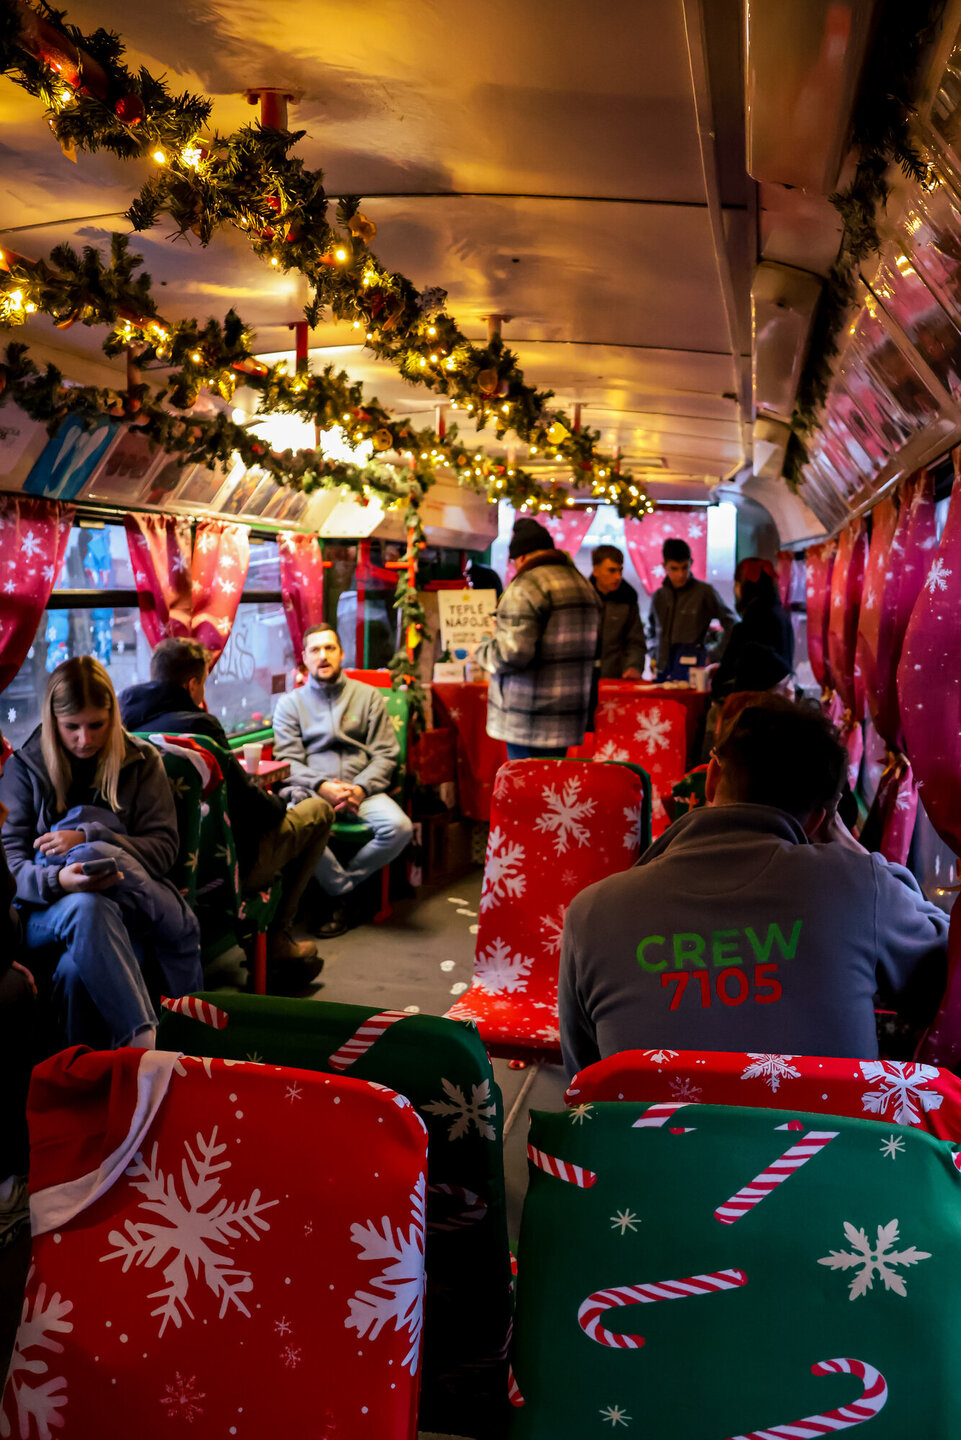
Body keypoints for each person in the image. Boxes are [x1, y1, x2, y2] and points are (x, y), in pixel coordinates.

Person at [559, 694, 948, 1076]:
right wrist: (858, 857)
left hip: (645, 1122)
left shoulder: (592, 912)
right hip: (827, 1122)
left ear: (712, 777)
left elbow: (586, 1080)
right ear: (819, 821)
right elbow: (947, 981)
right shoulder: (859, 886)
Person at [0, 657, 203, 1051]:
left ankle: (90, 1075)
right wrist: (59, 880)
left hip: (126, 901)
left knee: (77, 968)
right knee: (86, 907)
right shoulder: (24, 769)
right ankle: (146, 1045)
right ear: (53, 722)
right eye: (71, 727)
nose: (84, 739)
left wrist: (91, 836)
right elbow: (10, 868)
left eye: (96, 725)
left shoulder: (141, 761)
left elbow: (164, 851)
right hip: (45, 911)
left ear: (113, 716)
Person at [120, 638, 332, 978]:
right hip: (222, 869)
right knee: (319, 812)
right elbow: (253, 809)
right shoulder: (200, 729)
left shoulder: (126, 726)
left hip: (158, 866)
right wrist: (283, 801)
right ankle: (277, 938)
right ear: (192, 684)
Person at [271, 625, 412, 938]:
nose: (323, 656)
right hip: (315, 793)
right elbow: (287, 761)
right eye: (315, 650)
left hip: (363, 791)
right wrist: (322, 786)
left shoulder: (369, 697)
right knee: (297, 826)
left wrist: (359, 788)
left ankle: (340, 886)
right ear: (304, 658)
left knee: (400, 828)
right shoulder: (290, 704)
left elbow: (385, 755)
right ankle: (345, 893)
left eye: (330, 648)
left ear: (341, 653)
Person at [473, 517, 601, 758]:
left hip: (528, 720)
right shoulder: (582, 583)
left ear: (521, 557)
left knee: (525, 781)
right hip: (568, 716)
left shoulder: (527, 586)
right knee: (553, 780)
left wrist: (481, 652)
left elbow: (512, 653)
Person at [648, 537, 735, 680]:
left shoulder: (704, 592)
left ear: (691, 563)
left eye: (685, 567)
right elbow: (651, 631)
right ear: (664, 566)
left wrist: (713, 655)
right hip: (662, 671)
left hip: (694, 671)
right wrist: (654, 654)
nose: (681, 574)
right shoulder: (659, 597)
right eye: (674, 569)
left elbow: (733, 624)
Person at [711, 557, 794, 701]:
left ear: (741, 587)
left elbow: (721, 681)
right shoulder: (783, 618)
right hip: (781, 704)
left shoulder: (747, 625)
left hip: (752, 707)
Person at [590, 544, 646, 679]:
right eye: (612, 570)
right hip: (584, 676)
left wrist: (633, 666)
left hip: (617, 677)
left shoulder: (627, 598)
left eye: (620, 570)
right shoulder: (582, 596)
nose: (618, 577)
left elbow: (635, 641)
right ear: (596, 570)